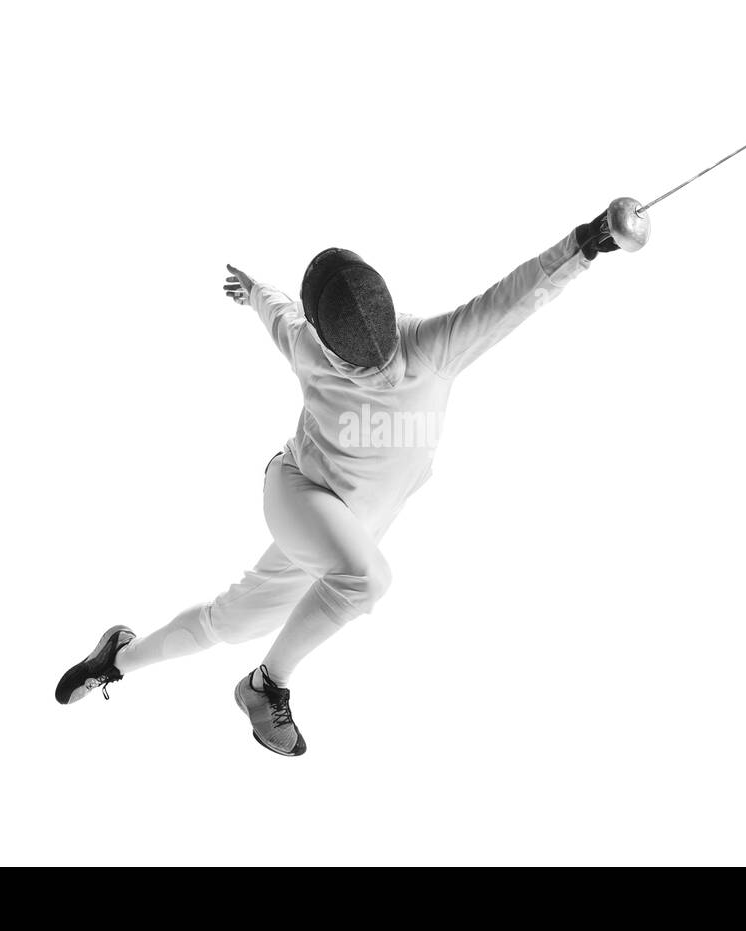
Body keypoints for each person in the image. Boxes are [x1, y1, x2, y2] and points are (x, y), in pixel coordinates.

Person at [55, 208, 627, 755]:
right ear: (326, 339)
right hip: (298, 493)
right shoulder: (307, 345)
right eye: (355, 357)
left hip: (345, 526)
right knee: (366, 578)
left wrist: (588, 241)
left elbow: (517, 295)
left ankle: (115, 658)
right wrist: (253, 291)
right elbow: (276, 307)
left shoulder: (434, 346)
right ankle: (264, 687)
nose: (374, 364)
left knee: (229, 622)